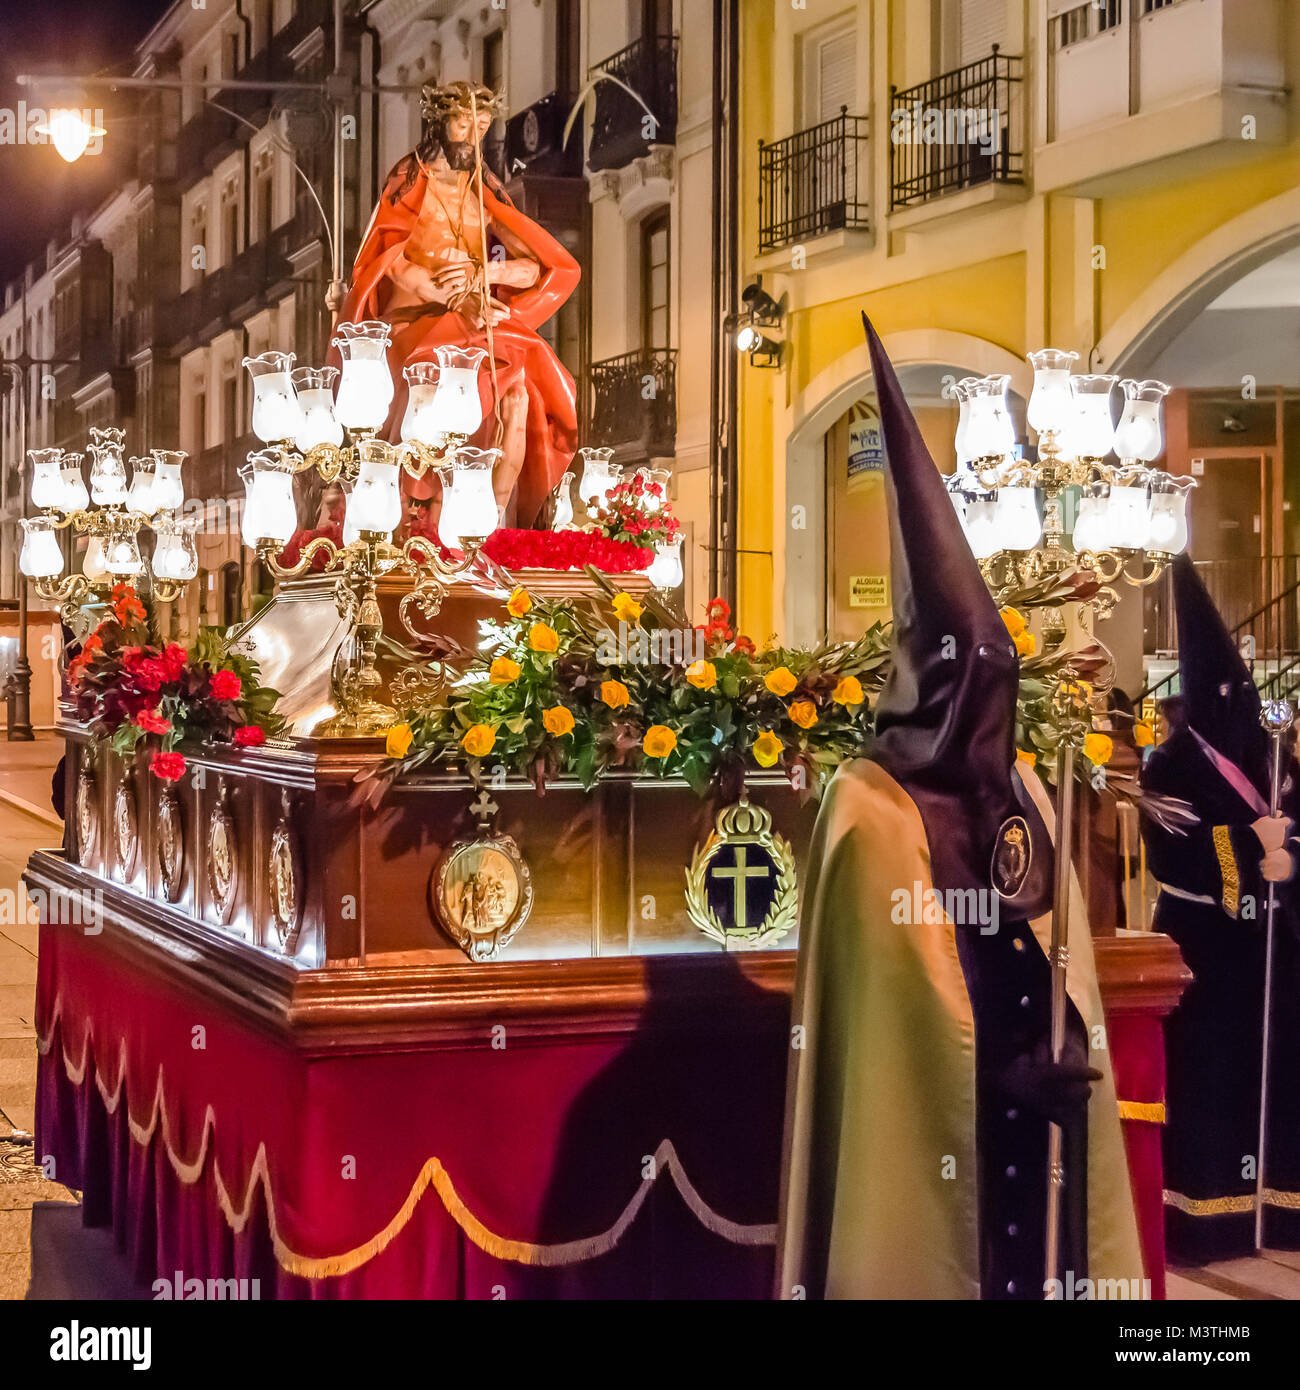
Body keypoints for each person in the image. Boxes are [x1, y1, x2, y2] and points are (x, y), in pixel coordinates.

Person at [775, 316, 1142, 1299]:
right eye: (968, 681)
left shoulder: (1025, 786)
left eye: (1000, 681)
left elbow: (1056, 959)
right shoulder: (868, 811)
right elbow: (892, 1066)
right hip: (944, 1179)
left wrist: (1061, 1051)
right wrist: (996, 1078)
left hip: (1037, 1160)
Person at [1140, 556, 1300, 1261]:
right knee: (1211, 1077)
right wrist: (1245, 847)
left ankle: (1281, 1208)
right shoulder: (1169, 766)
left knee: (1277, 1074)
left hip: (1273, 948)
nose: (1235, 700)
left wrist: (1288, 857)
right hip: (1204, 947)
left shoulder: (1272, 752)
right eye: (1225, 690)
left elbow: (1295, 818)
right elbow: (1172, 850)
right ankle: (1209, 1218)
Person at [337, 80, 580, 528]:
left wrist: (486, 275)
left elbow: (533, 268)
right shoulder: (409, 180)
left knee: (522, 396)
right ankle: (419, 516)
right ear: (438, 122)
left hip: (471, 320)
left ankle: (494, 528)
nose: (472, 135)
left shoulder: (482, 191)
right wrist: (450, 295)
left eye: (482, 125)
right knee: (439, 389)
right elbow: (391, 261)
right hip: (413, 322)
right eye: (462, 122)